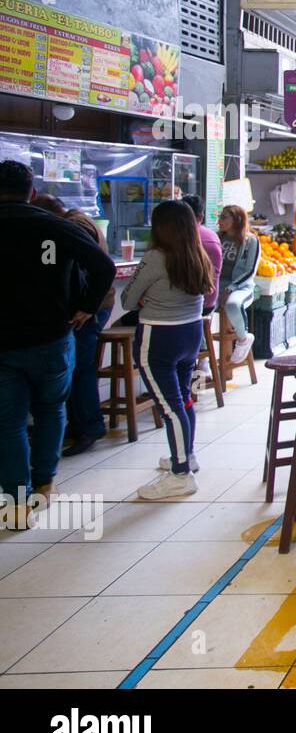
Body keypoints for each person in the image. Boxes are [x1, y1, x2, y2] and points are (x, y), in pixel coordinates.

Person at [0, 162, 115, 528]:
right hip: (52, 336)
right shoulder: (54, 225)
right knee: (50, 410)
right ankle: (44, 486)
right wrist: (87, 307)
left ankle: (15, 506)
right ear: (32, 192)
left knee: (9, 423)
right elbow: (104, 267)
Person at [120, 200, 214, 500]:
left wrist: (149, 297)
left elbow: (128, 300)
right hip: (191, 334)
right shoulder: (199, 255)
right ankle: (187, 454)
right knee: (183, 399)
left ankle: (180, 474)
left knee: (169, 406)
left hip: (158, 337)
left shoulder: (155, 258)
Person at [26, 198, 118, 458]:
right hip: (92, 306)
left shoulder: (72, 226)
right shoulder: (77, 221)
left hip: (90, 309)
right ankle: (80, 424)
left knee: (79, 368)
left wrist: (87, 306)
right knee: (77, 367)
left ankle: (88, 426)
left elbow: (92, 267)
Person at [181, 195, 223, 382]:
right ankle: (197, 366)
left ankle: (186, 375)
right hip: (208, 304)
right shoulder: (211, 236)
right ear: (201, 216)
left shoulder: (181, 237)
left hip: (187, 307)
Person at [217, 205, 260, 366]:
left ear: (236, 220)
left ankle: (243, 338)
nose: (219, 221)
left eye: (224, 217)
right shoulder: (217, 238)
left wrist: (232, 287)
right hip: (217, 284)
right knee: (197, 308)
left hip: (242, 286)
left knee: (233, 304)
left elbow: (250, 270)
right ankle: (203, 359)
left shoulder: (251, 241)